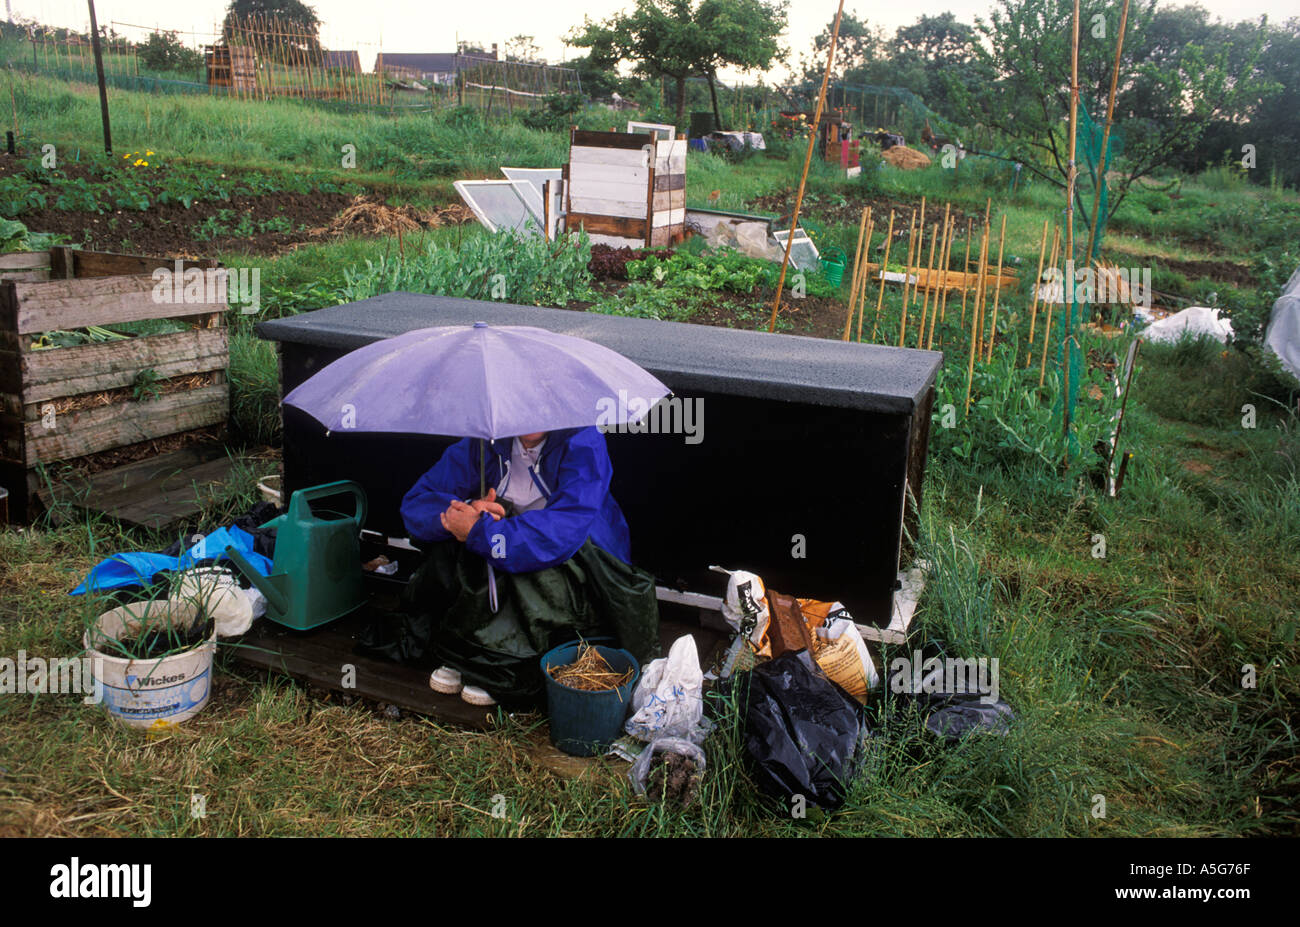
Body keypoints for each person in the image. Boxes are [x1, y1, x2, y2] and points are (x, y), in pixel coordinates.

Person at [365, 425, 660, 708]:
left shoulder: (583, 442)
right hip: (506, 553)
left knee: (526, 566)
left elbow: (563, 531)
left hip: (579, 562)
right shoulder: (484, 443)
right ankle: (469, 652)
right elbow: (418, 503)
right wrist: (467, 508)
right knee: (454, 545)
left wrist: (484, 532)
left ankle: (496, 665)